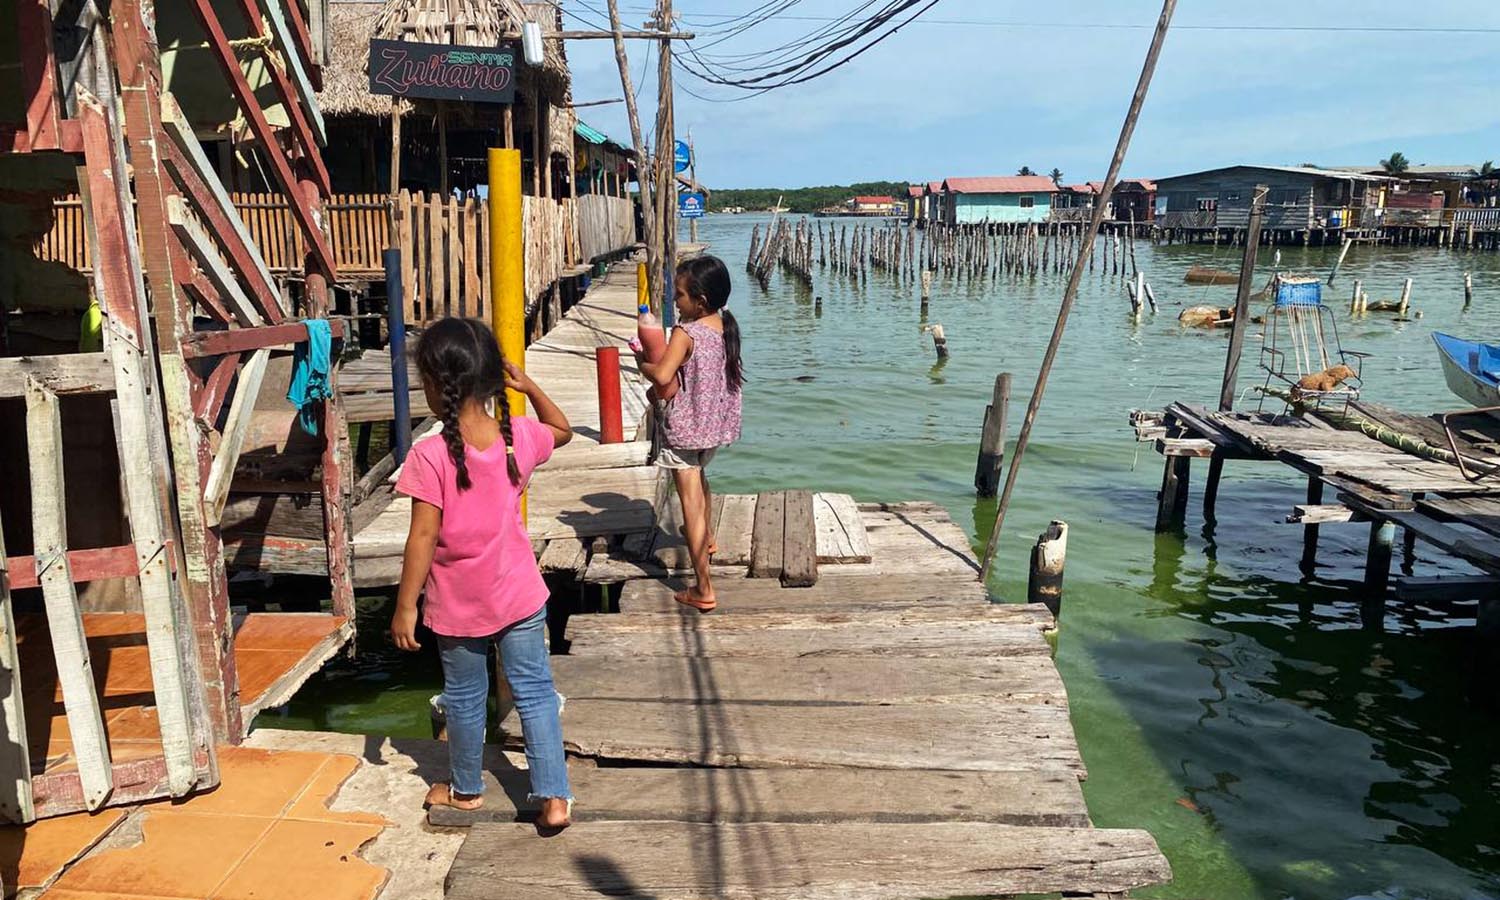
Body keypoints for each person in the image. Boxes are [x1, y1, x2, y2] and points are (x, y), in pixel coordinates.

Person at [389, 317, 573, 829]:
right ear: (495, 377)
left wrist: (406, 606)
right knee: (534, 691)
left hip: (458, 605)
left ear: (432, 385)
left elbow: (421, 538)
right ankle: (554, 797)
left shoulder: (430, 456)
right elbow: (563, 429)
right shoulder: (517, 438)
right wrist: (530, 384)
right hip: (519, 593)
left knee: (465, 700)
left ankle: (466, 790)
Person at [636, 256, 744, 612]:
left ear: (699, 300)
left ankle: (703, 587)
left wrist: (641, 362)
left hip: (685, 431)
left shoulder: (686, 333)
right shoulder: (725, 324)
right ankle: (708, 538)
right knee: (702, 480)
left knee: (690, 507)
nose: (675, 302)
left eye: (679, 296)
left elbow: (664, 376)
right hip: (714, 428)